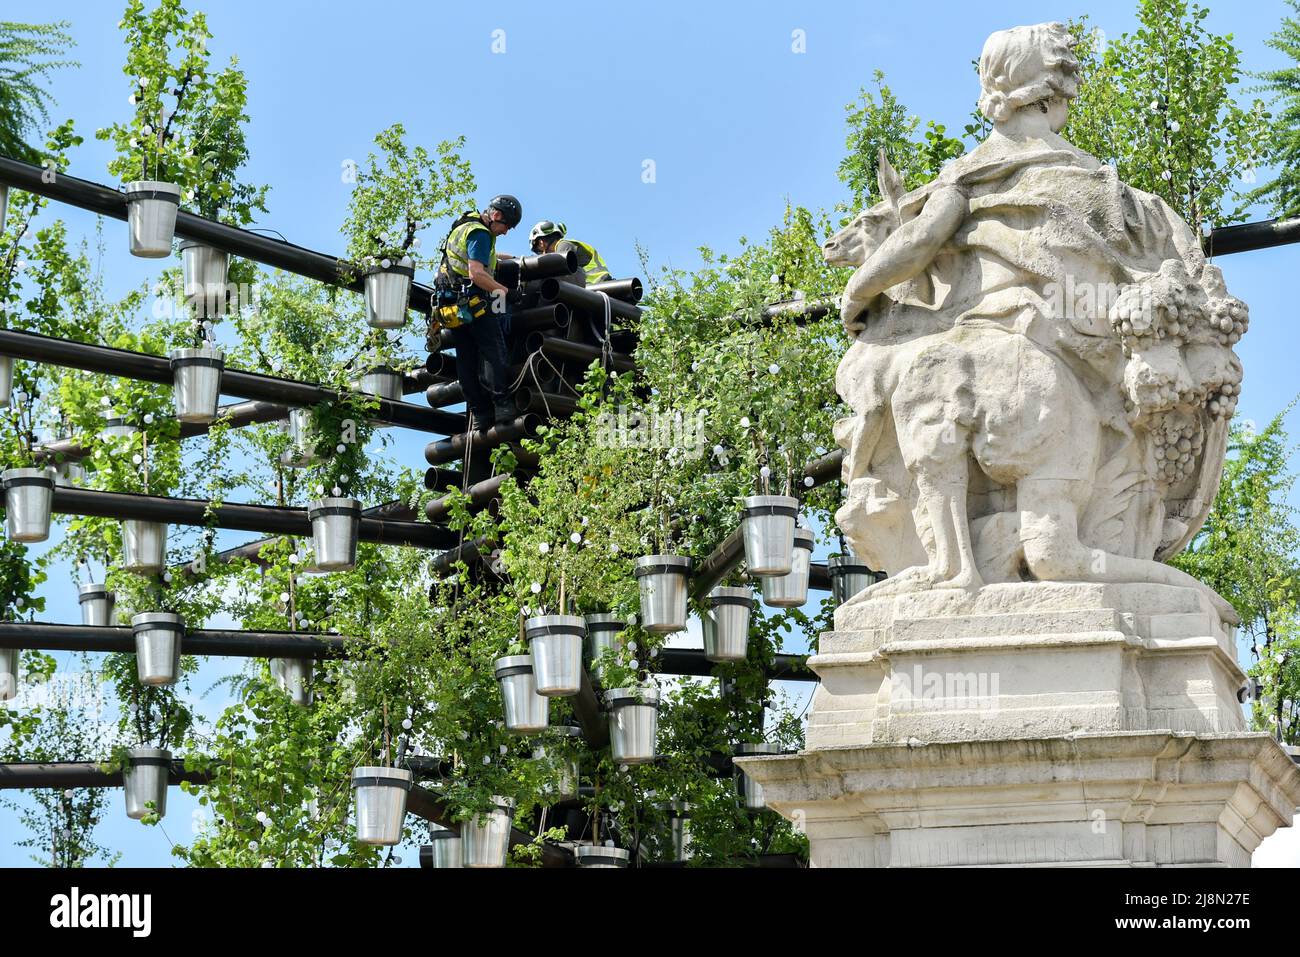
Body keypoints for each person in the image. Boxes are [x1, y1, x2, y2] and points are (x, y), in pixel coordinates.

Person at [436, 194, 522, 430]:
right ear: (496, 216)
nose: (506, 232)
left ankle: (480, 415)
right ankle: (502, 405)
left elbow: (483, 258)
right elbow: (477, 273)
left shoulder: (464, 227)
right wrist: (505, 291)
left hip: (452, 307)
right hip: (474, 304)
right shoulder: (481, 234)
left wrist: (515, 258)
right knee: (494, 352)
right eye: (507, 226)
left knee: (466, 359)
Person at [527, 220, 613, 286]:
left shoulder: (563, 245)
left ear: (541, 243)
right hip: (590, 286)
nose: (541, 254)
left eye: (538, 250)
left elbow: (558, 268)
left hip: (597, 284)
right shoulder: (565, 245)